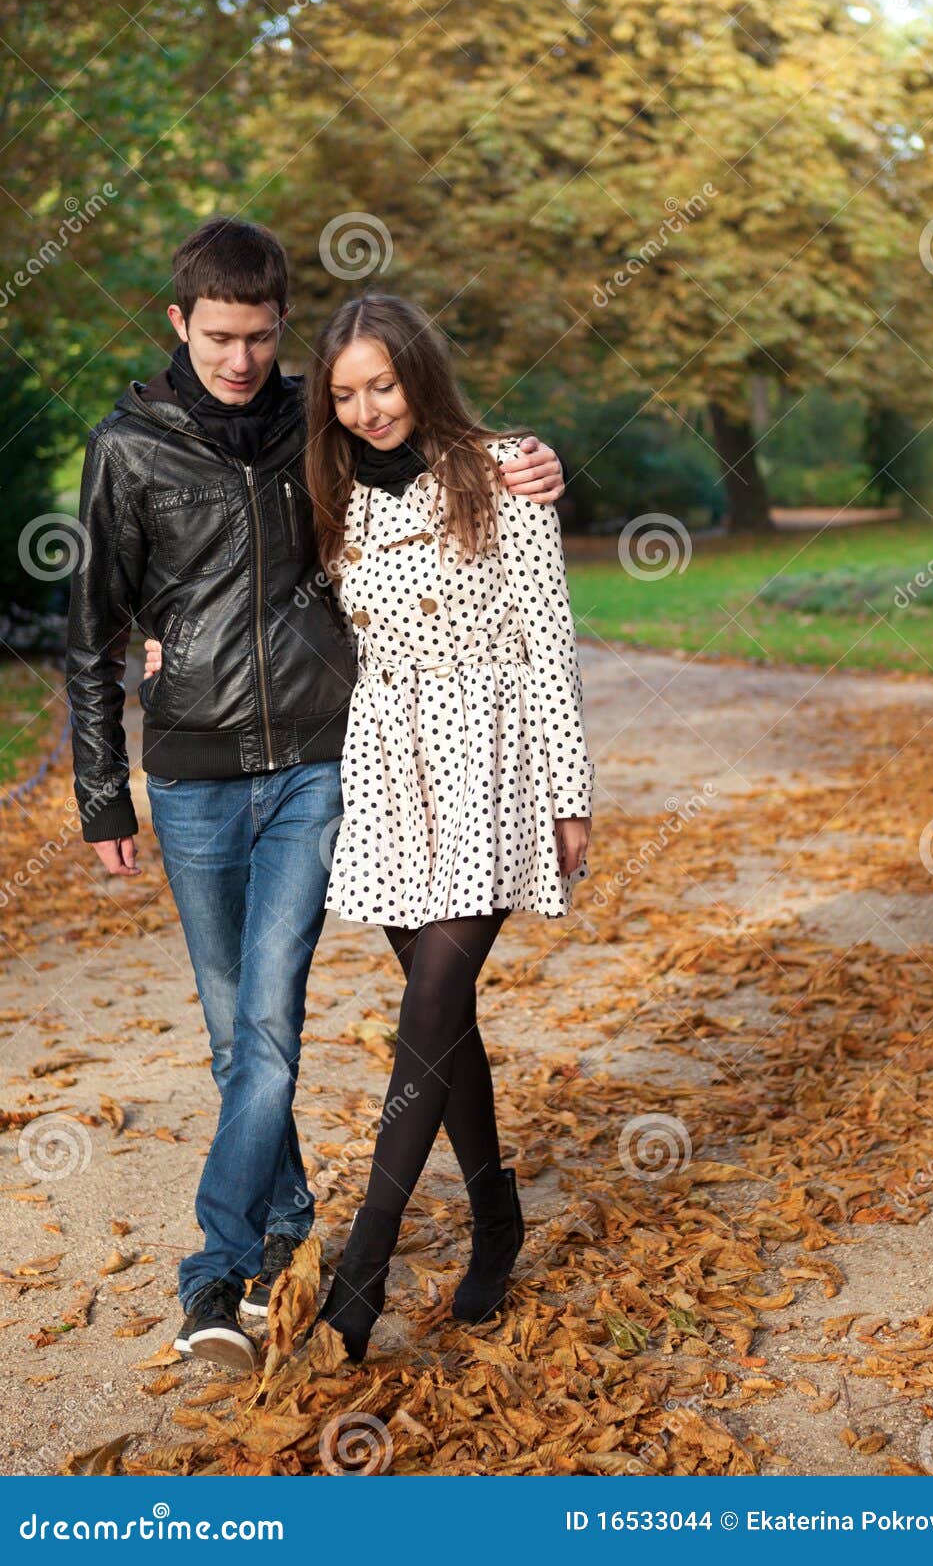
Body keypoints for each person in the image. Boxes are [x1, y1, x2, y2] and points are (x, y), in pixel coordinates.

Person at [66, 217, 564, 1373]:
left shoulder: (318, 420)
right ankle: (305, 1232)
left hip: (318, 762)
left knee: (277, 1034)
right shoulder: (126, 449)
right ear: (179, 322)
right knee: (245, 1035)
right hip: (189, 775)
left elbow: (424, 441)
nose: (241, 358)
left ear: (283, 330)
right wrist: (102, 796)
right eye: (220, 335)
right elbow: (91, 629)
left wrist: (527, 457)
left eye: (261, 337)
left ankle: (226, 1273)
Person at [301, 291, 593, 1362]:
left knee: (434, 992)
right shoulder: (328, 485)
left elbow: (551, 638)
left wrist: (570, 795)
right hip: (388, 762)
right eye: (346, 393)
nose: (369, 408)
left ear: (419, 372)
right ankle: (496, 1210)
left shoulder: (502, 468)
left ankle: (364, 1268)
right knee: (444, 1011)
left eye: (383, 383)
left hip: (492, 751)